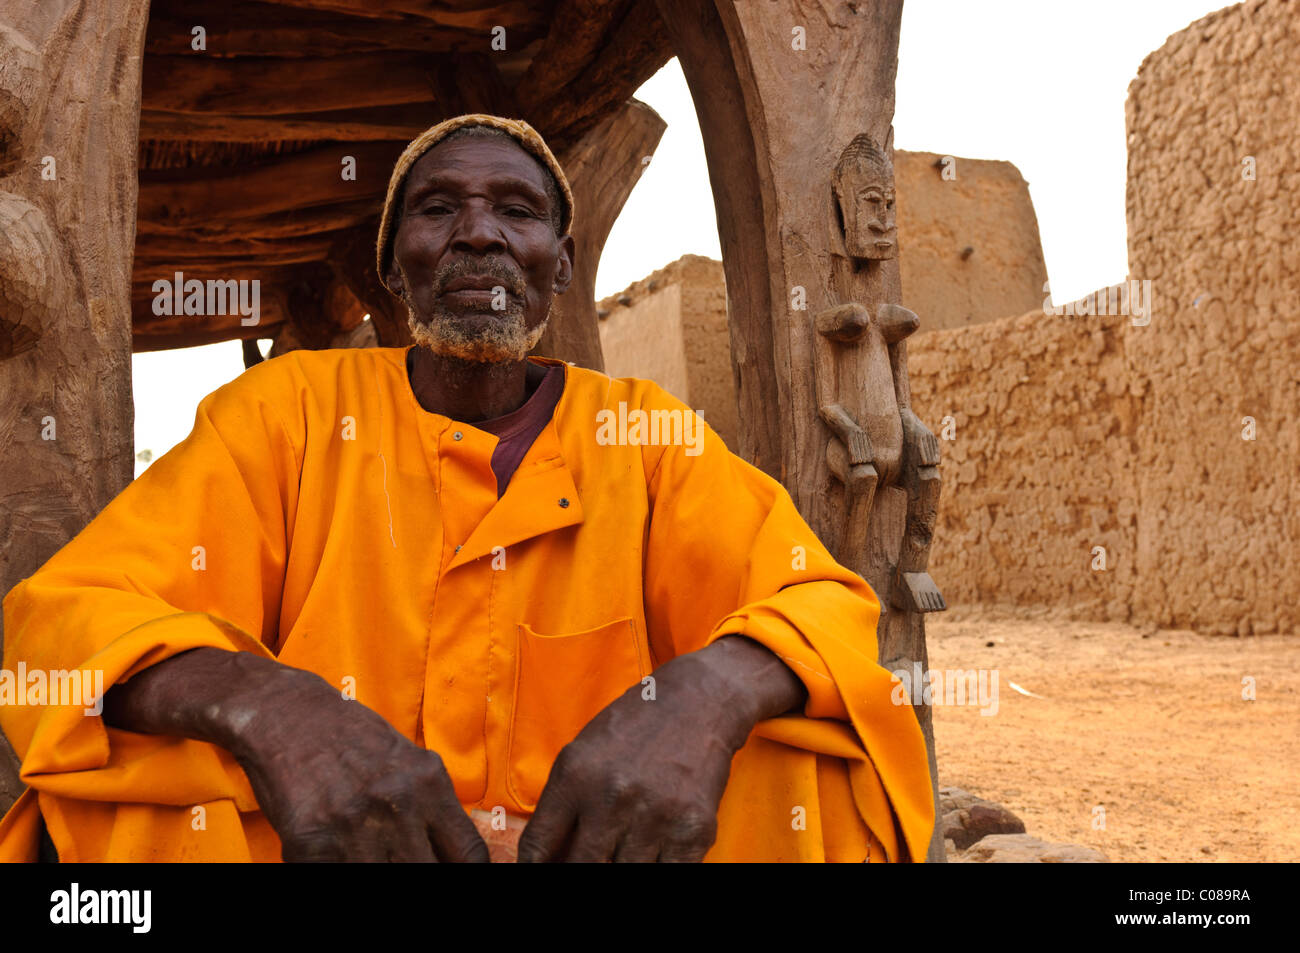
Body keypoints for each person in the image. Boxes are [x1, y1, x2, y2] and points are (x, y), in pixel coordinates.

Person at [0, 114, 932, 862]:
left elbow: (820, 604)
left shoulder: (642, 434)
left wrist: (699, 700)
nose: (478, 233)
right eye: (438, 208)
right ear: (391, 267)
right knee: (130, 787)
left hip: (588, 844)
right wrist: (275, 712)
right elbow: (68, 616)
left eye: (516, 211)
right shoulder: (289, 412)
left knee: (809, 762)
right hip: (331, 847)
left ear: (562, 266)